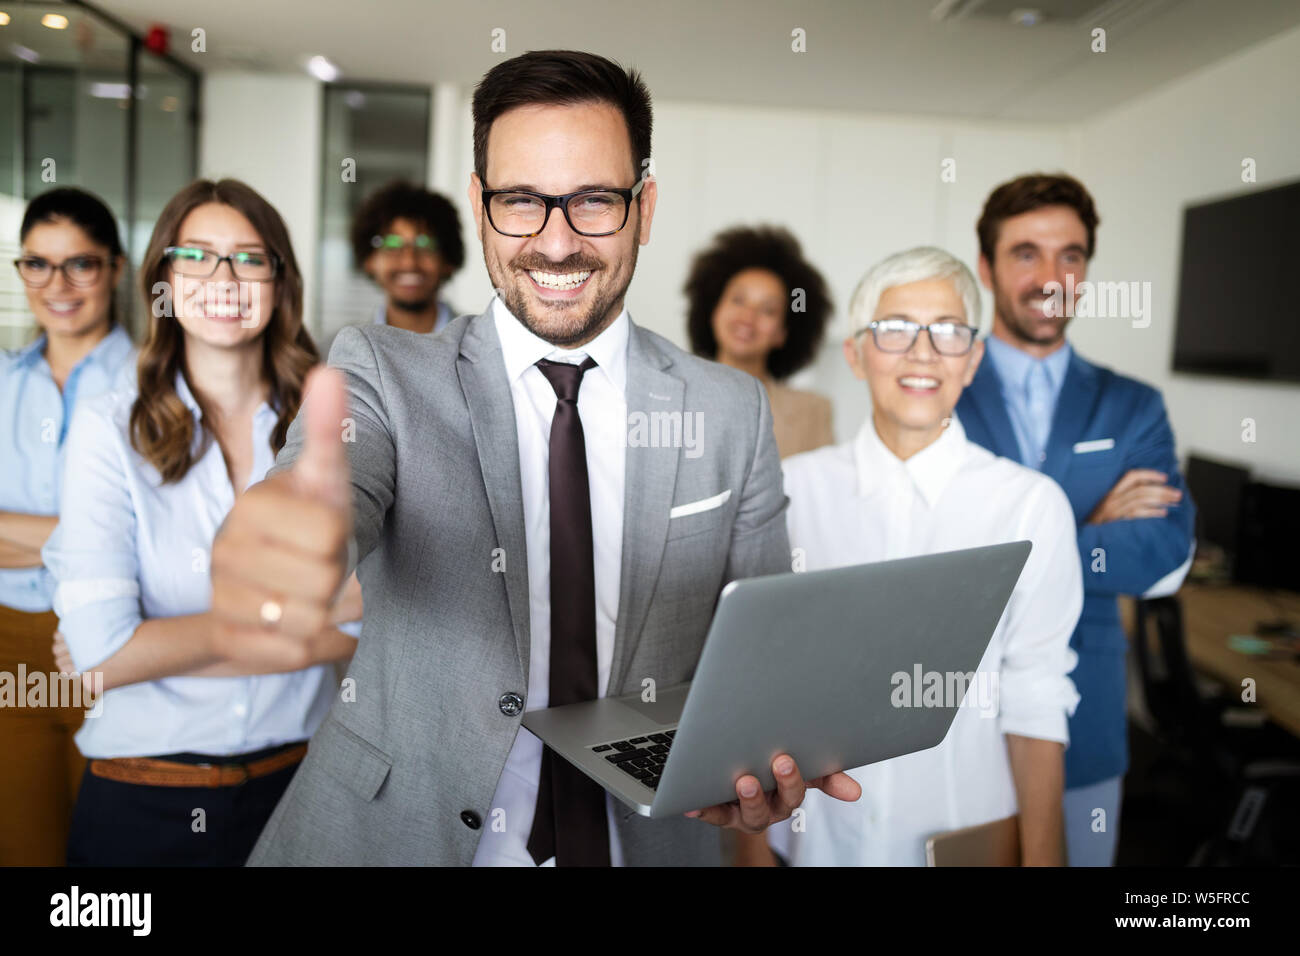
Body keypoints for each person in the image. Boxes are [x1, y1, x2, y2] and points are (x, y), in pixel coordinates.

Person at [208, 50, 859, 867]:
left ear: (644, 208)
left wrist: (764, 754)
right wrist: (291, 528)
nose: (556, 244)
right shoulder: (381, 371)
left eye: (594, 201)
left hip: (648, 843)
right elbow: (331, 485)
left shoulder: (727, 409)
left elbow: (767, 646)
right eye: (521, 201)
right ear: (481, 206)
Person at [42, 179, 358, 866]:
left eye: (249, 258)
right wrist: (307, 623)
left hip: (300, 790)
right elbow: (100, 655)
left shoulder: (329, 425)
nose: (223, 278)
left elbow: (380, 619)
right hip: (140, 798)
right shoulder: (106, 427)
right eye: (197, 255)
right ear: (164, 277)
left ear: (279, 280)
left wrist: (158, 647)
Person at [736, 247, 1082, 866]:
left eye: (948, 332)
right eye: (895, 330)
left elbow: (1036, 698)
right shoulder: (792, 491)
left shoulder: (1029, 507)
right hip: (815, 845)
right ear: (856, 353)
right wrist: (752, 855)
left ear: (973, 359)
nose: (923, 353)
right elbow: (755, 685)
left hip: (964, 840)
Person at [955, 173, 1196, 866]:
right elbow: (932, 554)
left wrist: (1017, 548)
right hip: (952, 712)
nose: (1051, 275)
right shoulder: (937, 385)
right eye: (1026, 252)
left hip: (1084, 717)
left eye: (1071, 255)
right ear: (988, 266)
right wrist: (1091, 522)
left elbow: (1162, 549)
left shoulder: (1132, 406)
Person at [0, 187, 135, 865]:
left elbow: (154, 541)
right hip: (9, 646)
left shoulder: (155, 381)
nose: (57, 285)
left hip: (118, 646)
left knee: (111, 855)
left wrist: (21, 536)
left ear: (113, 268)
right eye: (37, 264)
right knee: (23, 848)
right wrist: (88, 539)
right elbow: (117, 537)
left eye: (78, 264)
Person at [685, 225, 834, 457]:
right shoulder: (670, 399)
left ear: (783, 333)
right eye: (738, 300)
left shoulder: (813, 411)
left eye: (768, 310)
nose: (748, 317)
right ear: (713, 309)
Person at [350, 180, 464, 335]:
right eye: (392, 245)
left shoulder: (487, 349)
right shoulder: (335, 352)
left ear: (448, 260)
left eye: (425, 245)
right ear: (369, 260)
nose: (409, 263)